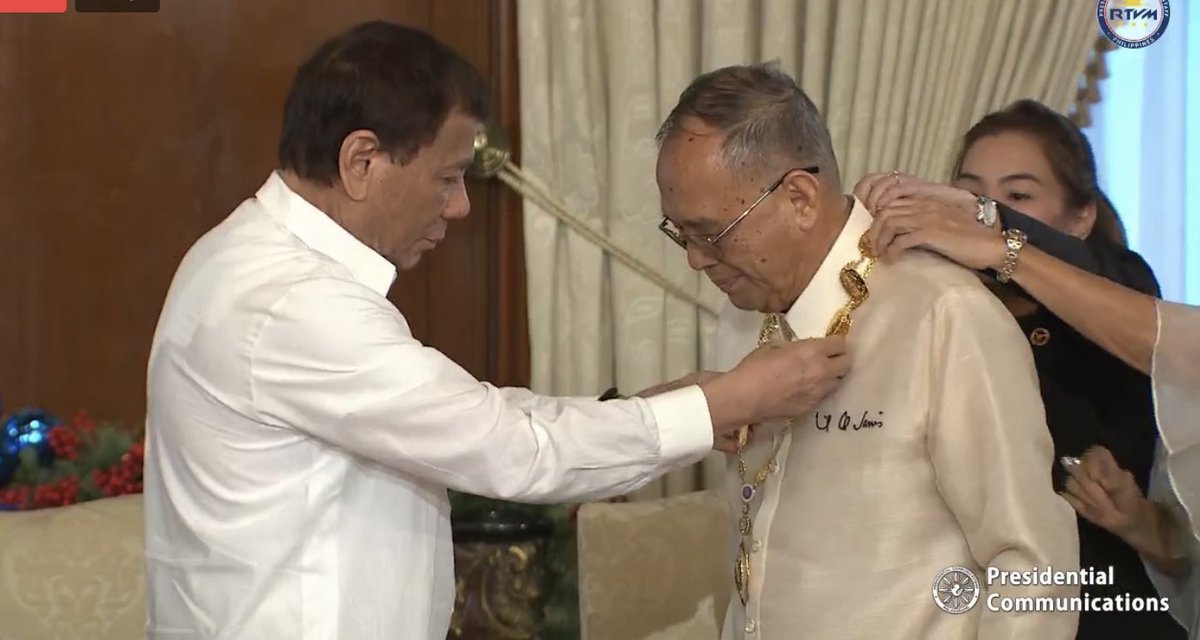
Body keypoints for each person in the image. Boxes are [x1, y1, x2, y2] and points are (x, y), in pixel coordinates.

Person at [141, 22, 853, 640]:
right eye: (448, 177)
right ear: (361, 161)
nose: (459, 207)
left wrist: (671, 409)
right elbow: (509, 450)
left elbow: (472, 415)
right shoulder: (292, 303)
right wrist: (726, 404)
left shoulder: (249, 257)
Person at [656, 64, 1078, 640]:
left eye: (711, 233)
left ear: (800, 198)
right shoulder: (743, 314)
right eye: (681, 233)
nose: (696, 260)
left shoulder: (944, 314)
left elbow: (1033, 564)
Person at [855, 99, 1186, 638]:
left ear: (1080, 218)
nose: (976, 209)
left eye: (1017, 195)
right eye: (968, 190)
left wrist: (1134, 518)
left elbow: (1177, 556)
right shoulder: (935, 310)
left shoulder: (1121, 302)